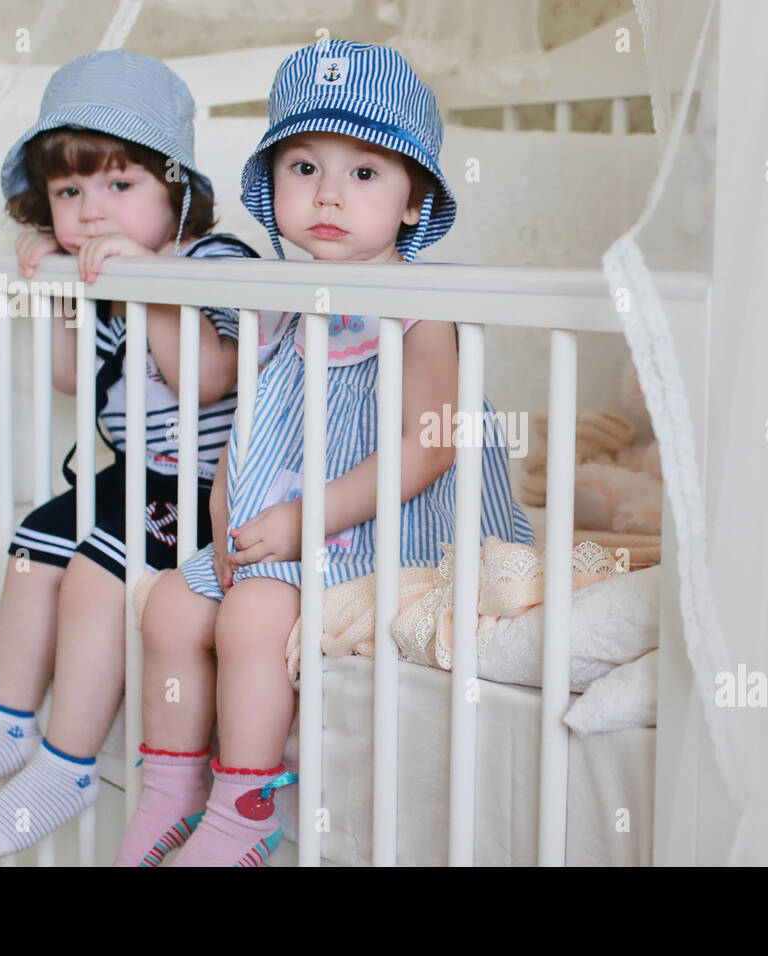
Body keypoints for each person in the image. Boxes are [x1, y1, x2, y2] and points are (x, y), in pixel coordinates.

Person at [116, 39, 535, 867]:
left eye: (366, 173)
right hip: (278, 516)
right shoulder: (273, 298)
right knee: (168, 606)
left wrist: (307, 519)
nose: (330, 193)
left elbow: (428, 449)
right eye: (303, 167)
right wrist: (223, 502)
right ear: (272, 186)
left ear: (415, 204)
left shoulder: (422, 304)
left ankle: (245, 811)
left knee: (251, 620)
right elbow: (253, 410)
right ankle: (169, 792)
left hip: (381, 523)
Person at [0, 50, 259, 858]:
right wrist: (70, 293)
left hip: (212, 487)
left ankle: (67, 764)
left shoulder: (216, 263)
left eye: (119, 185)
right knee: (35, 543)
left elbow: (210, 377)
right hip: (134, 474)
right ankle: (4, 723)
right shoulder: (105, 275)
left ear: (176, 189)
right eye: (69, 193)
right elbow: (74, 378)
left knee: (100, 571)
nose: (91, 211)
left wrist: (147, 283)